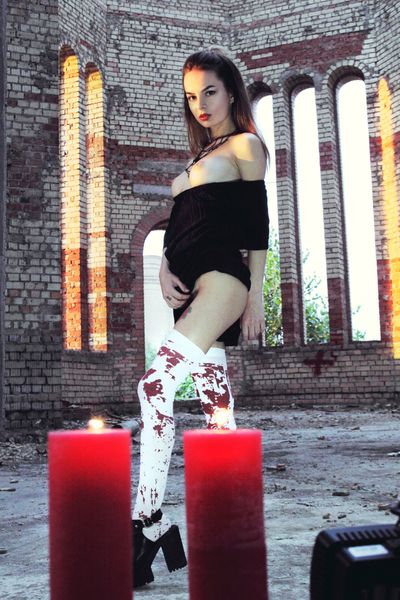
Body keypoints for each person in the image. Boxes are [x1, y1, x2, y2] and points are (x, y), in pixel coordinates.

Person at [132, 47, 269, 589]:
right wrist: (165, 267)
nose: (201, 104)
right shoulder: (203, 152)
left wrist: (255, 296)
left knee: (153, 387)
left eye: (209, 91)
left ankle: (146, 521)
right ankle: (225, 527)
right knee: (216, 407)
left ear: (231, 91)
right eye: (192, 96)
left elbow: (257, 228)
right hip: (189, 286)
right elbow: (183, 220)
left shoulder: (246, 145)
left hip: (223, 280)